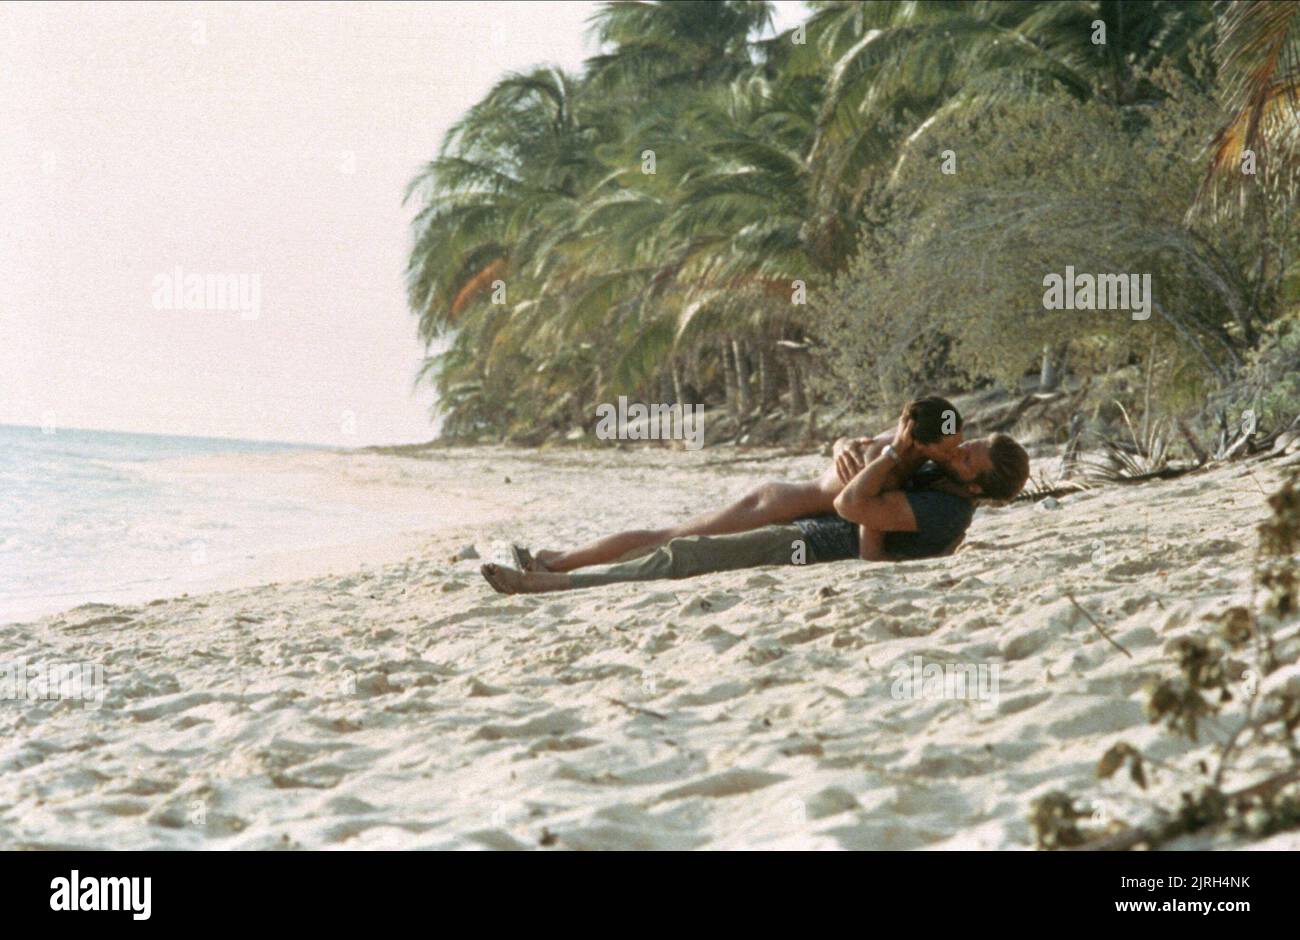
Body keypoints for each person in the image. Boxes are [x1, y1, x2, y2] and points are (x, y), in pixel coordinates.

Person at [481, 404, 1030, 595]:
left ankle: (550, 574)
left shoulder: (944, 506)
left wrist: (881, 467)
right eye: (966, 445)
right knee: (671, 544)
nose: (957, 451)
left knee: (677, 549)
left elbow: (859, 512)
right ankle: (552, 566)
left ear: (977, 486)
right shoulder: (934, 470)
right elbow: (866, 452)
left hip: (799, 530)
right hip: (790, 517)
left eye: (967, 457)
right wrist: (857, 448)